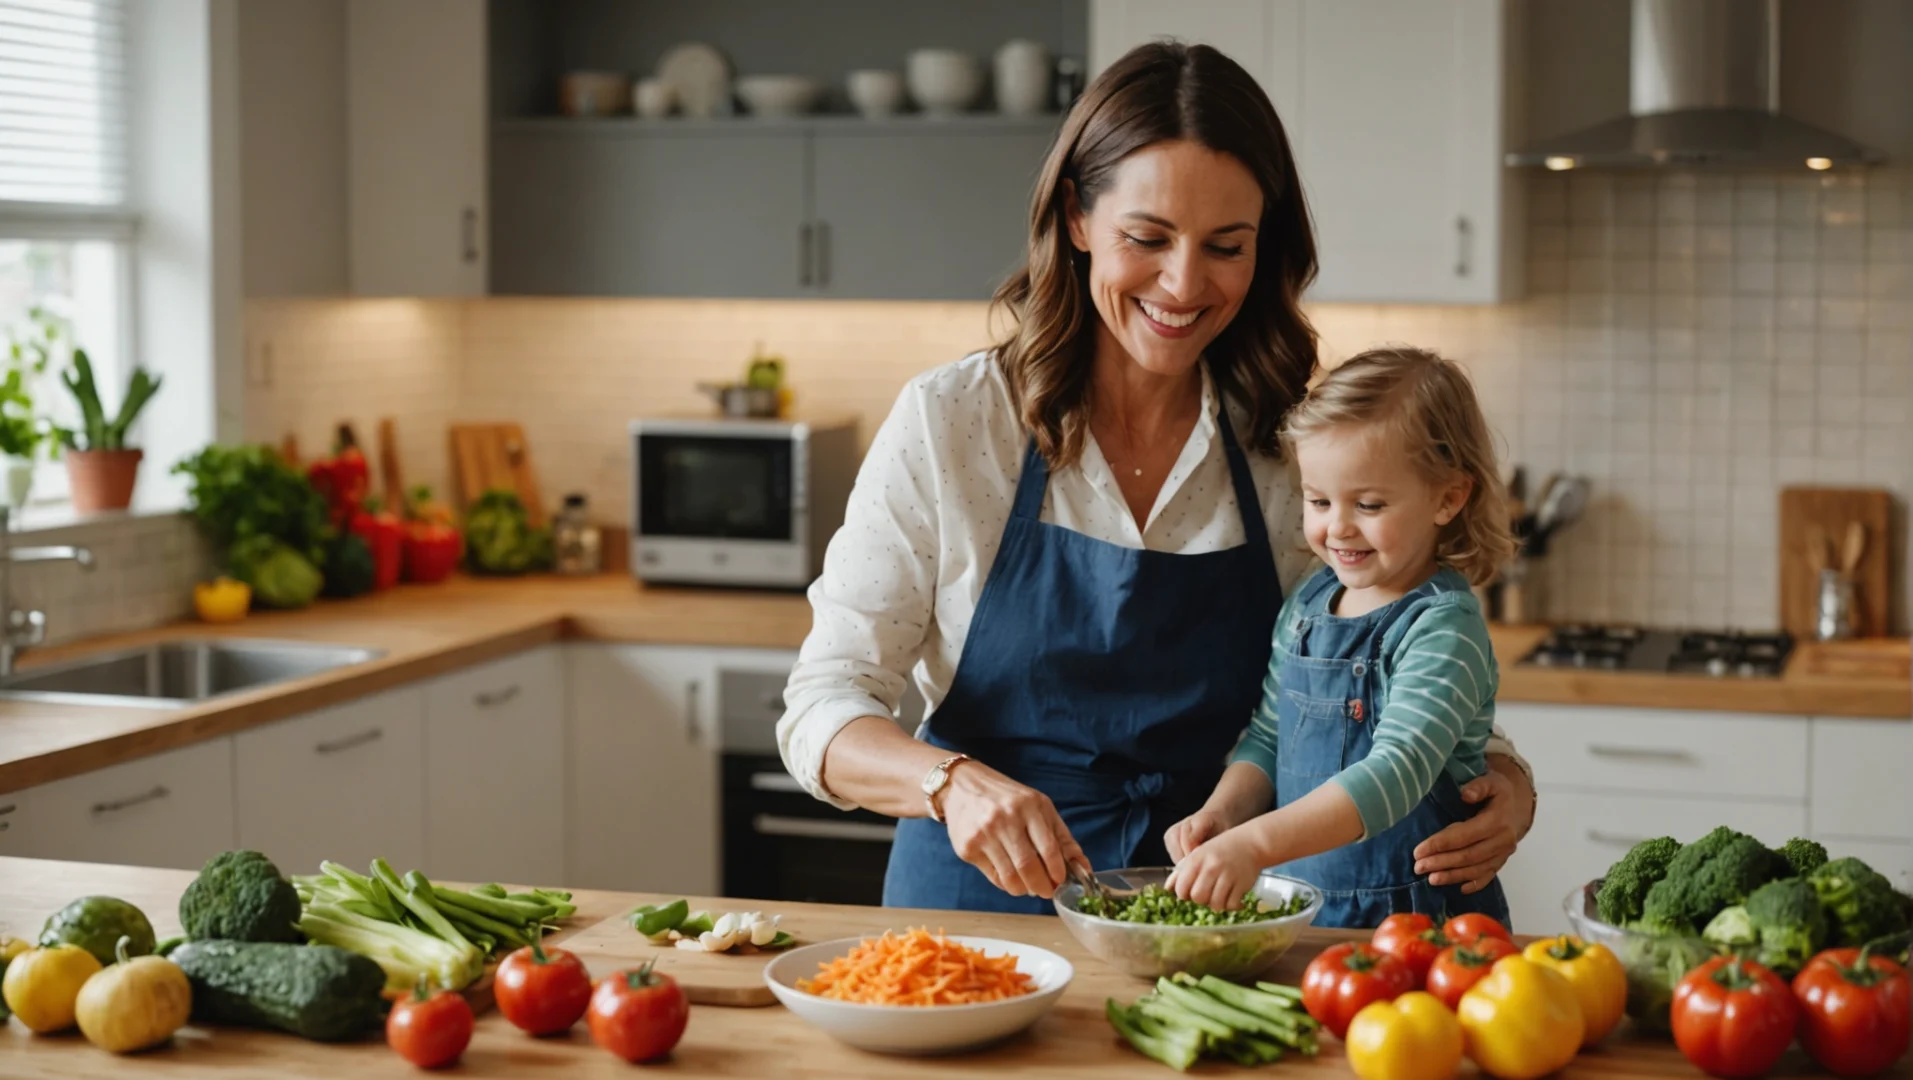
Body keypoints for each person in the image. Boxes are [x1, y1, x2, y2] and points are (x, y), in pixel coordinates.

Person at [776, 41, 1537, 916]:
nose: (1183, 283)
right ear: (1075, 219)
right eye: (1146, 238)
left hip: (1213, 912)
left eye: (1225, 245)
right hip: (976, 911)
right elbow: (821, 708)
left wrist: (1504, 776)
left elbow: (1376, 658)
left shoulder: (1290, 442)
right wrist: (950, 784)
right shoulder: (955, 422)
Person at [1166, 347, 1517, 927]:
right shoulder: (1308, 603)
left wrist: (1255, 845)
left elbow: (1397, 771)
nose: (1338, 526)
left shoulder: (1441, 629)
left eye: (1370, 504)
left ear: (1448, 497)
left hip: (1417, 925)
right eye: (1319, 500)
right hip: (1304, 910)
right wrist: (1224, 814)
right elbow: (1270, 736)